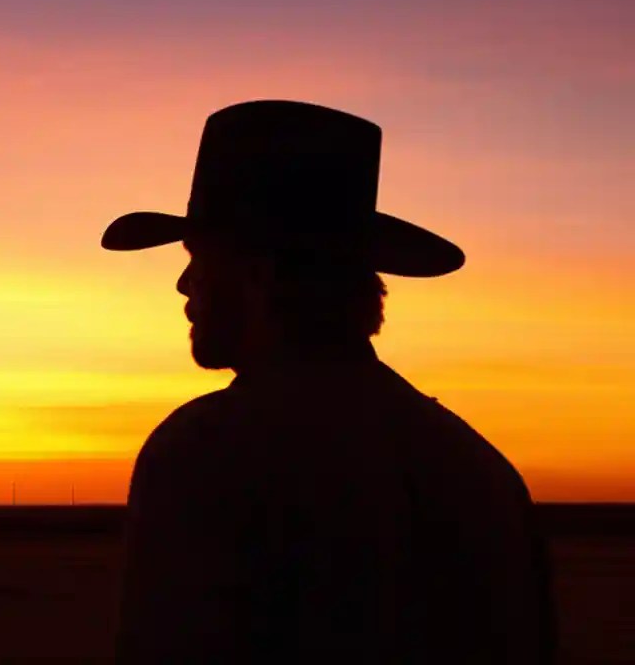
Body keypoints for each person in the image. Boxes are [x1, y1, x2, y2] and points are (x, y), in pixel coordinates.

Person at [103, 101, 555, 663]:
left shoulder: (208, 448)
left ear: (258, 273)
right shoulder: (477, 466)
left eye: (201, 258)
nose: (184, 283)